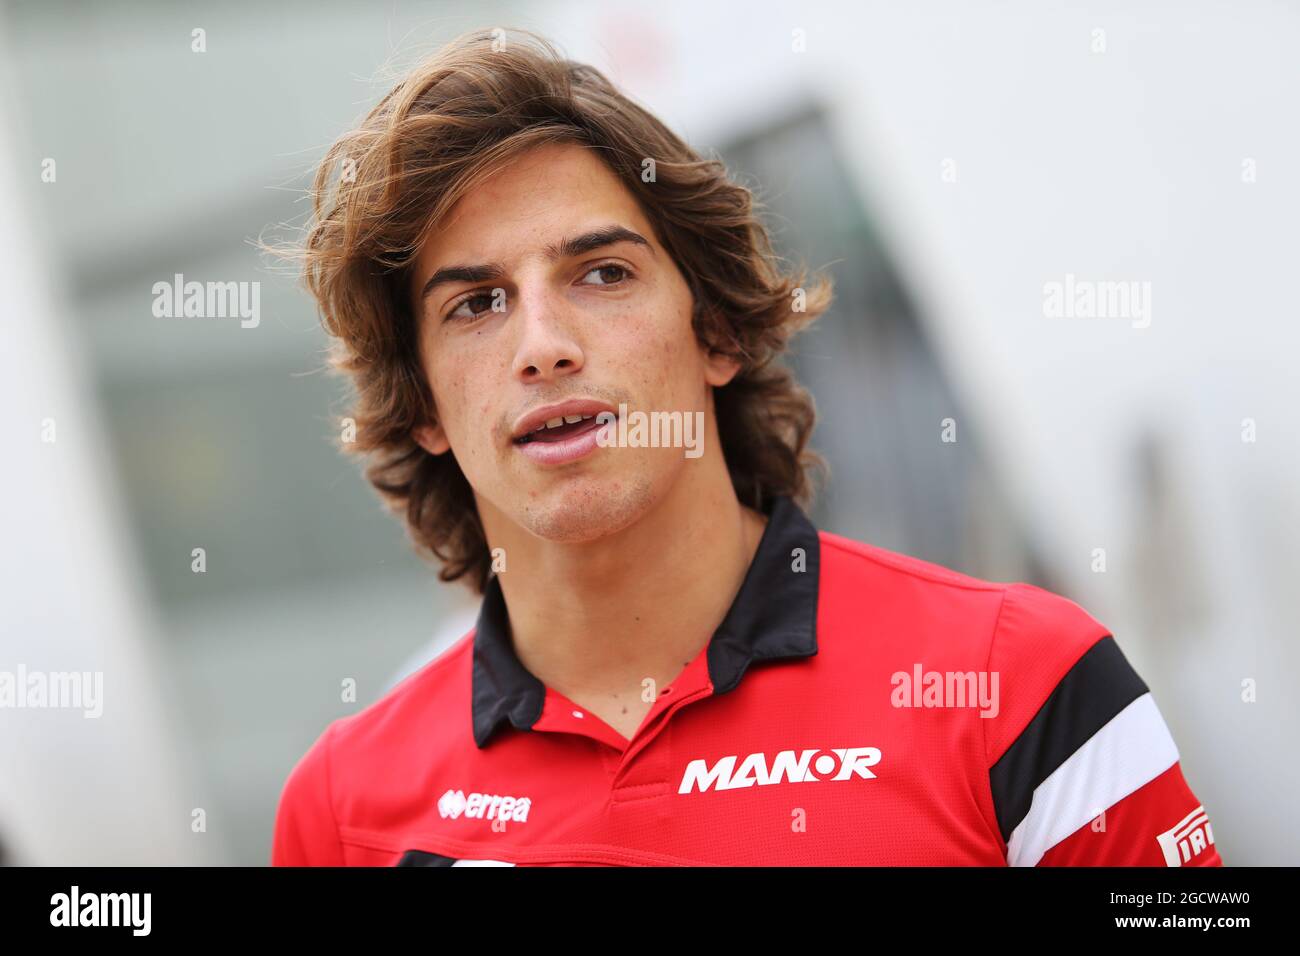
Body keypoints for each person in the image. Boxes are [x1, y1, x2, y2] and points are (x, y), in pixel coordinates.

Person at [271, 28, 1220, 867]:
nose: (542, 345)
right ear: (424, 402)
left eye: (601, 273)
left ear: (717, 331)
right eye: (476, 304)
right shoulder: (344, 806)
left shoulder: (1022, 684)